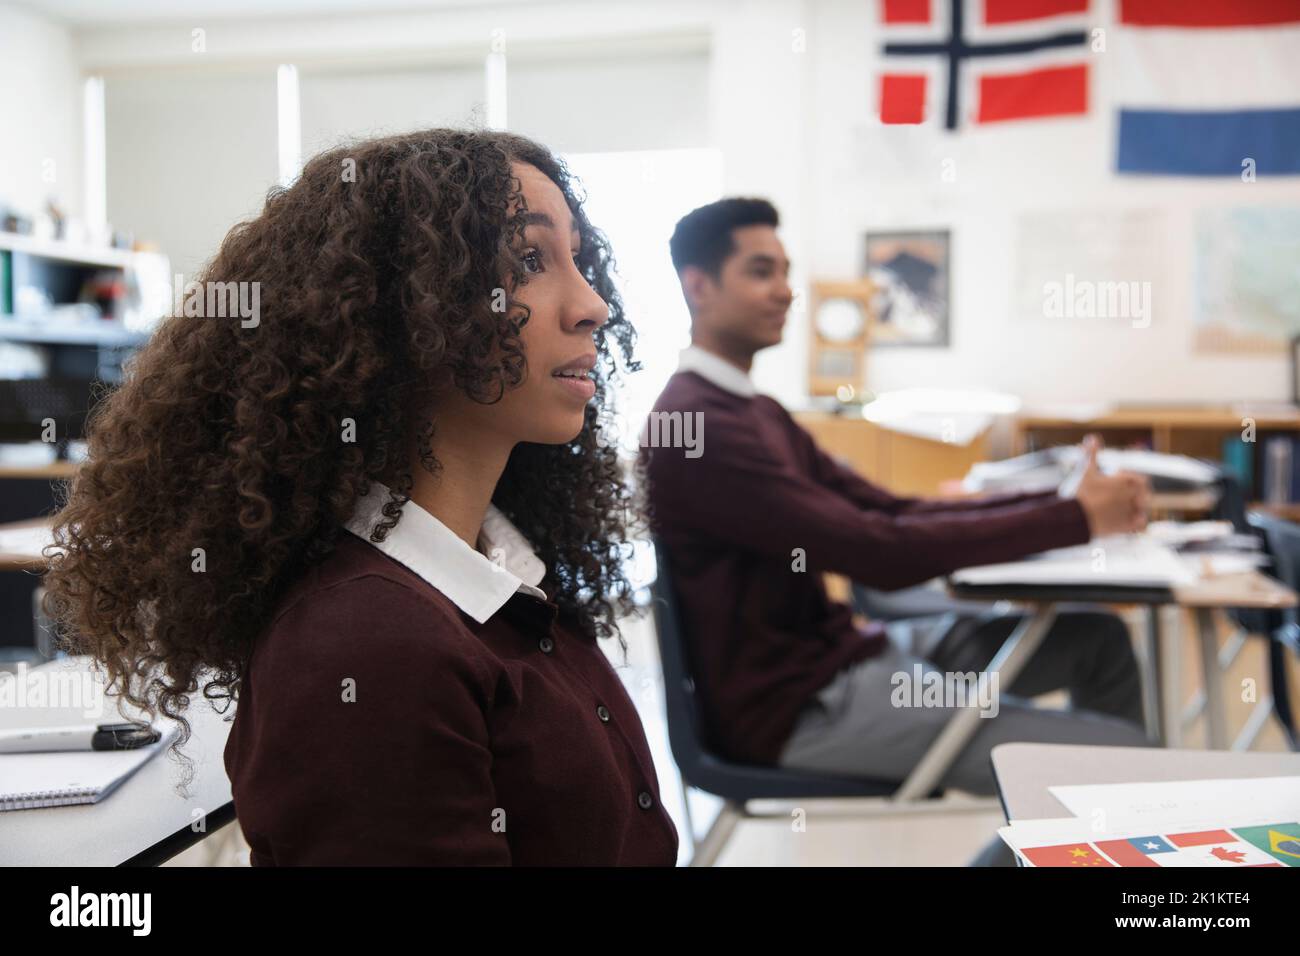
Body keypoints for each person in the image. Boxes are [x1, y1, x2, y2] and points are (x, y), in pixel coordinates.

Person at [42, 129, 677, 866]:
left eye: (581, 262)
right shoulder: (367, 646)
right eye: (530, 260)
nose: (594, 304)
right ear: (408, 312)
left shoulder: (505, 578)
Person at [641, 197, 1150, 866]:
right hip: (802, 707)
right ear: (697, 285)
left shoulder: (754, 409)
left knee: (1098, 641)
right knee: (1131, 768)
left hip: (855, 655)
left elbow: (890, 510)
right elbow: (875, 552)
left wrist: (1058, 503)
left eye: (786, 270)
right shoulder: (700, 428)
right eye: (761, 271)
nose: (786, 290)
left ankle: (1086, 844)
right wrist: (1076, 517)